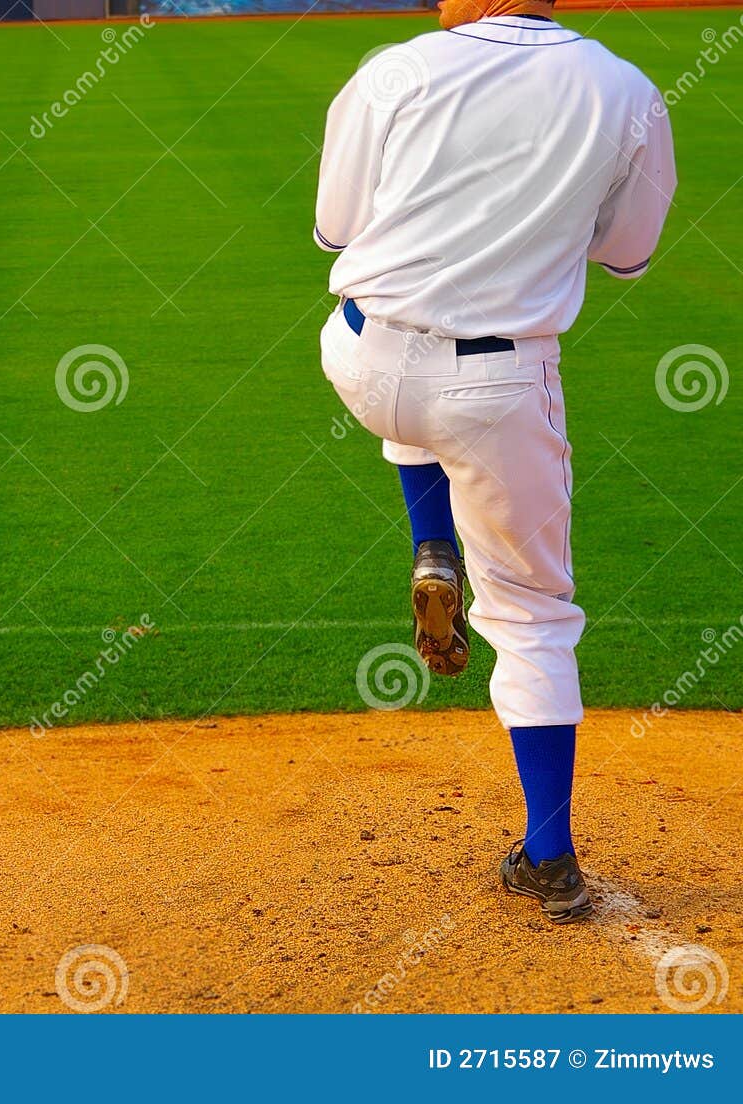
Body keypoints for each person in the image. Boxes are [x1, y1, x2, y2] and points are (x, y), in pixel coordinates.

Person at [315, 0, 675, 922]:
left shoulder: (393, 69)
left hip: (361, 354)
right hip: (495, 388)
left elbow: (337, 226)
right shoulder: (627, 91)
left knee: (414, 391)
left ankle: (431, 541)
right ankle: (547, 856)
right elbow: (627, 253)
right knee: (533, 617)